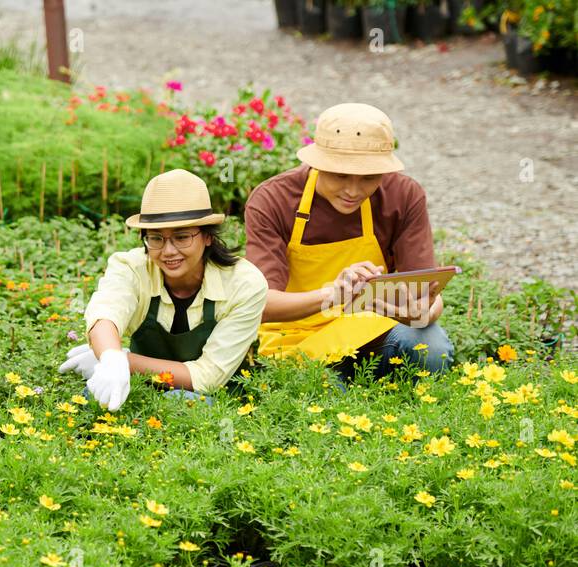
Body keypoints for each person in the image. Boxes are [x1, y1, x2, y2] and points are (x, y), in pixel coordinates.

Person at [243, 102, 453, 376]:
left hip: (371, 330)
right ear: (317, 163)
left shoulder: (403, 195)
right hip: (297, 340)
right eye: (340, 175)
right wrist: (334, 295)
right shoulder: (273, 200)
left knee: (431, 349)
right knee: (325, 404)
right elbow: (260, 305)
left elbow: (426, 288)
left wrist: (424, 311)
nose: (353, 191)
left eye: (368, 177)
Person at [60, 169, 267, 410]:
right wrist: (108, 356)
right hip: (143, 385)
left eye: (181, 237)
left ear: (207, 237)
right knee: (92, 400)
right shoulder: (131, 267)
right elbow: (106, 312)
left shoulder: (244, 284)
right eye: (156, 238)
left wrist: (125, 361)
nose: (168, 251)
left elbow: (207, 377)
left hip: (217, 399)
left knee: (179, 404)